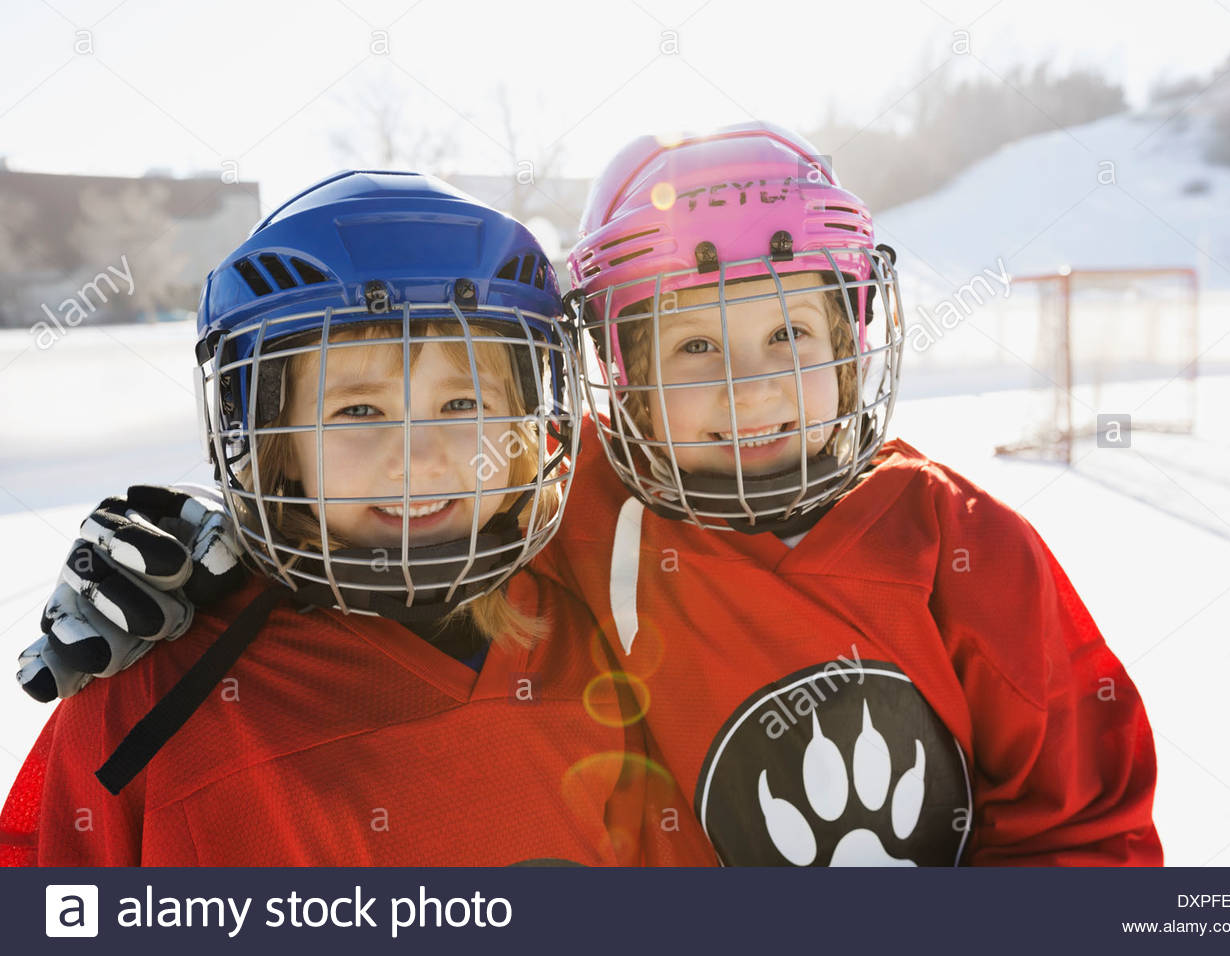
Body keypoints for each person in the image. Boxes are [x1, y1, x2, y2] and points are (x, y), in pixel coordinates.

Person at [13, 125, 1163, 868]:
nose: (755, 385)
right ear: (623, 371)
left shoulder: (962, 544)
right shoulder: (576, 507)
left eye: (788, 334)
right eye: (696, 350)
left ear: (855, 337)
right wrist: (210, 543)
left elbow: (1094, 831)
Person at [1, 170, 711, 867]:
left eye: (464, 405)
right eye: (359, 411)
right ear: (276, 441)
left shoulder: (605, 621)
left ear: (527, 427)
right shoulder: (153, 702)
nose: (420, 460)